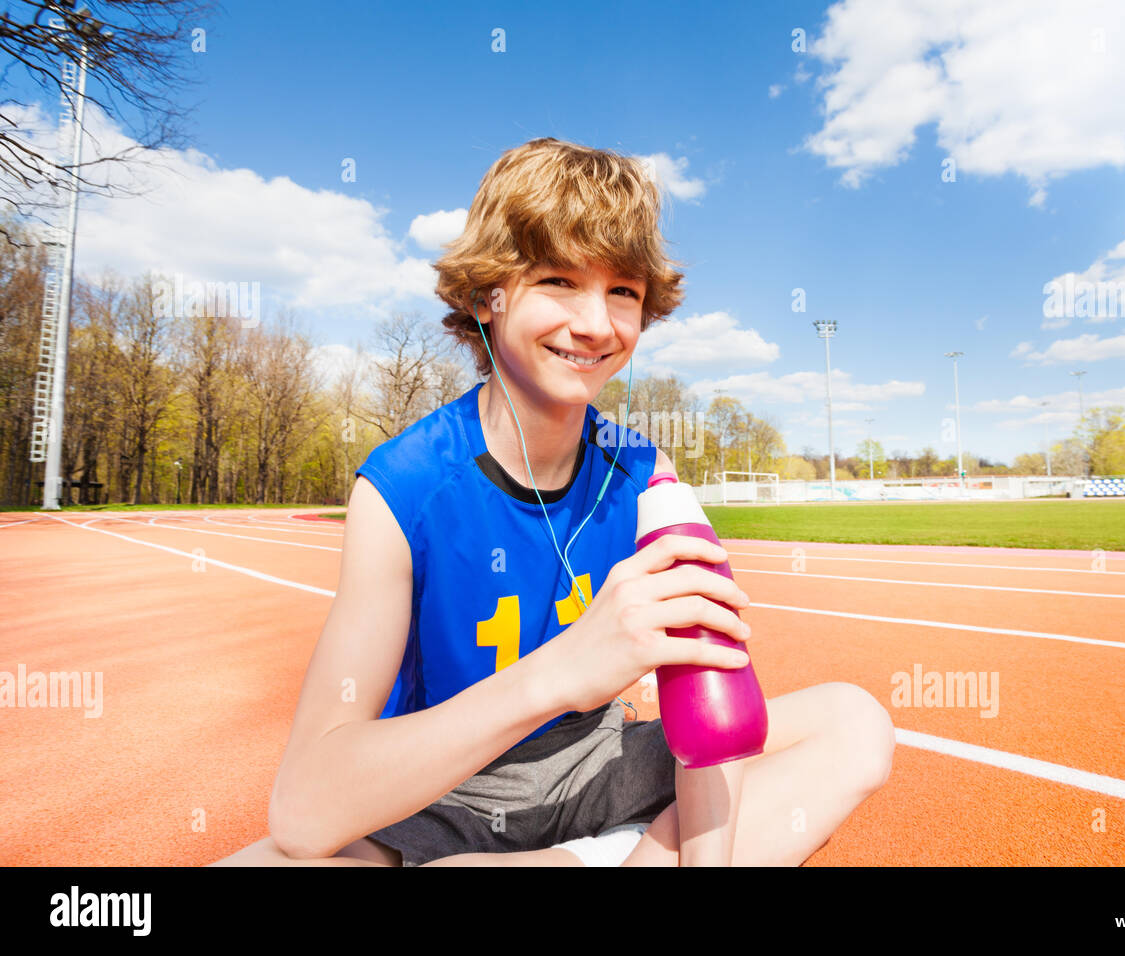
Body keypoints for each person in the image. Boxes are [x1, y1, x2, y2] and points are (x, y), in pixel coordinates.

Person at [212, 137, 894, 867]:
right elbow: (303, 810)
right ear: (486, 296)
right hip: (441, 788)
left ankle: (587, 857)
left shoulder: (644, 474)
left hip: (598, 770)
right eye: (560, 281)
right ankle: (616, 854)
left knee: (854, 724)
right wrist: (560, 672)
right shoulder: (401, 488)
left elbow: (707, 718)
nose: (597, 324)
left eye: (623, 291)